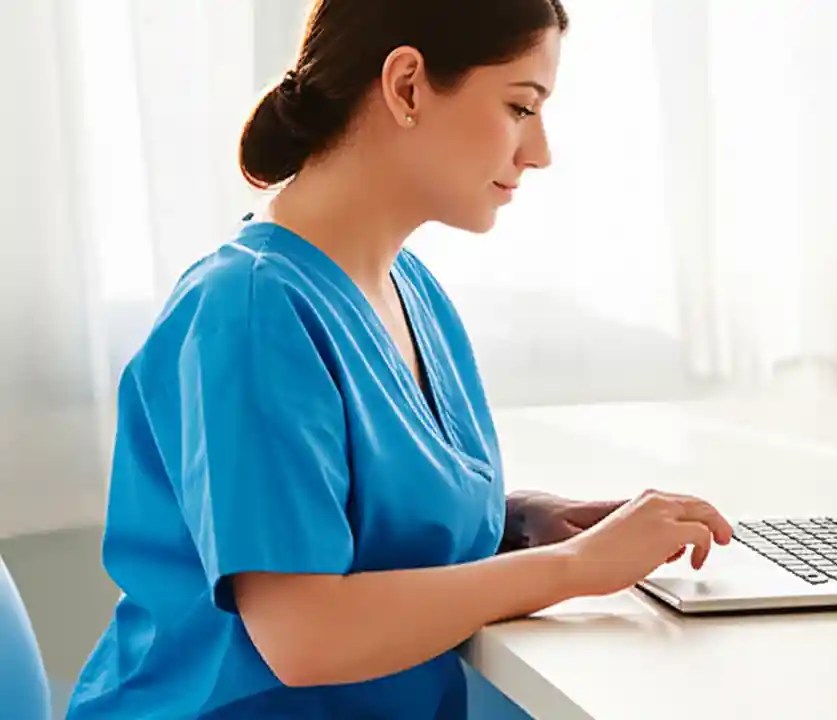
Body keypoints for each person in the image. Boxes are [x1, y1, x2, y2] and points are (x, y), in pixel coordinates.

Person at [66, 1, 732, 717]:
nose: (539, 150)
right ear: (408, 86)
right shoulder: (251, 310)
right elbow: (305, 634)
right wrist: (573, 569)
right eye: (519, 106)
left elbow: (351, 515)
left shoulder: (403, 286)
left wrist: (516, 521)